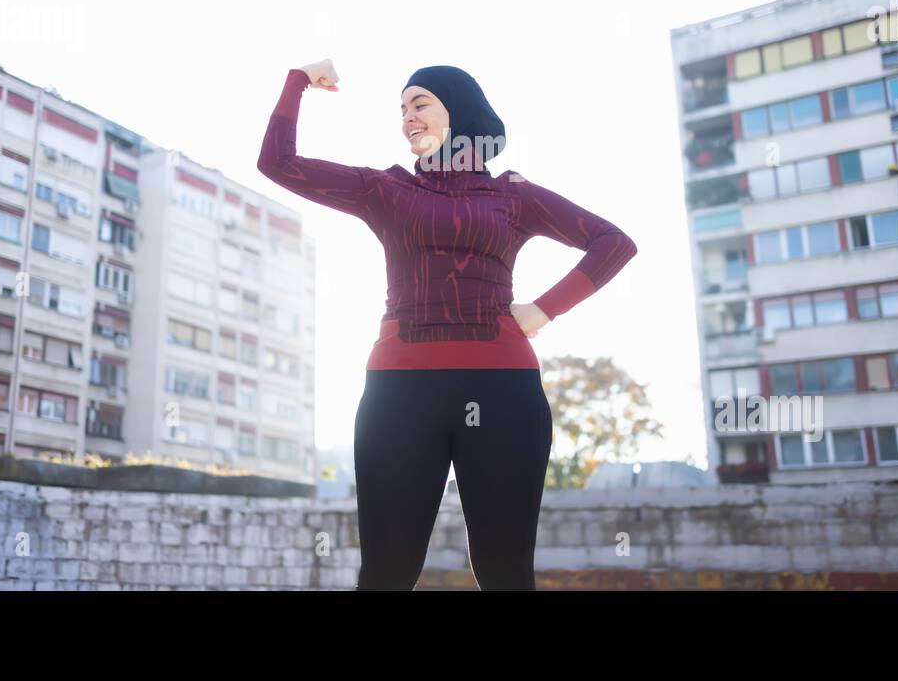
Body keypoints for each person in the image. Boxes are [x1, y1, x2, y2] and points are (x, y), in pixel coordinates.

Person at [257, 58, 637, 590]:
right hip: (399, 392)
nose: (408, 117)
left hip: (504, 392)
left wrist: (545, 308)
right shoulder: (384, 189)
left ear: (457, 113)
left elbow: (613, 243)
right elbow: (278, 163)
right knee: (386, 573)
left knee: (505, 574)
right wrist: (298, 80)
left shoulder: (513, 194)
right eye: (402, 109)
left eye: (420, 103)